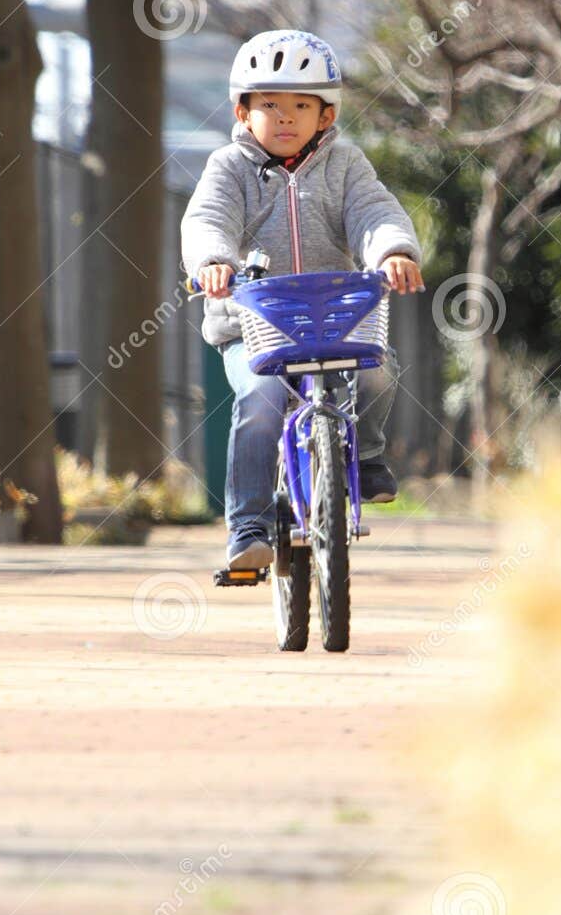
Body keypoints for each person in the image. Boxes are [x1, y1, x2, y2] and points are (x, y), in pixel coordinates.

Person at [181, 29, 426, 569]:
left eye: (301, 105)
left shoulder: (346, 166)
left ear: (327, 116)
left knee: (378, 373)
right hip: (253, 327)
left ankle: (365, 453)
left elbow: (374, 212)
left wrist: (392, 252)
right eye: (270, 104)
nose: (286, 117)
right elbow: (207, 219)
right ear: (243, 113)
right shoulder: (229, 167)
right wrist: (212, 261)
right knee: (261, 402)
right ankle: (248, 526)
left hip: (334, 322)